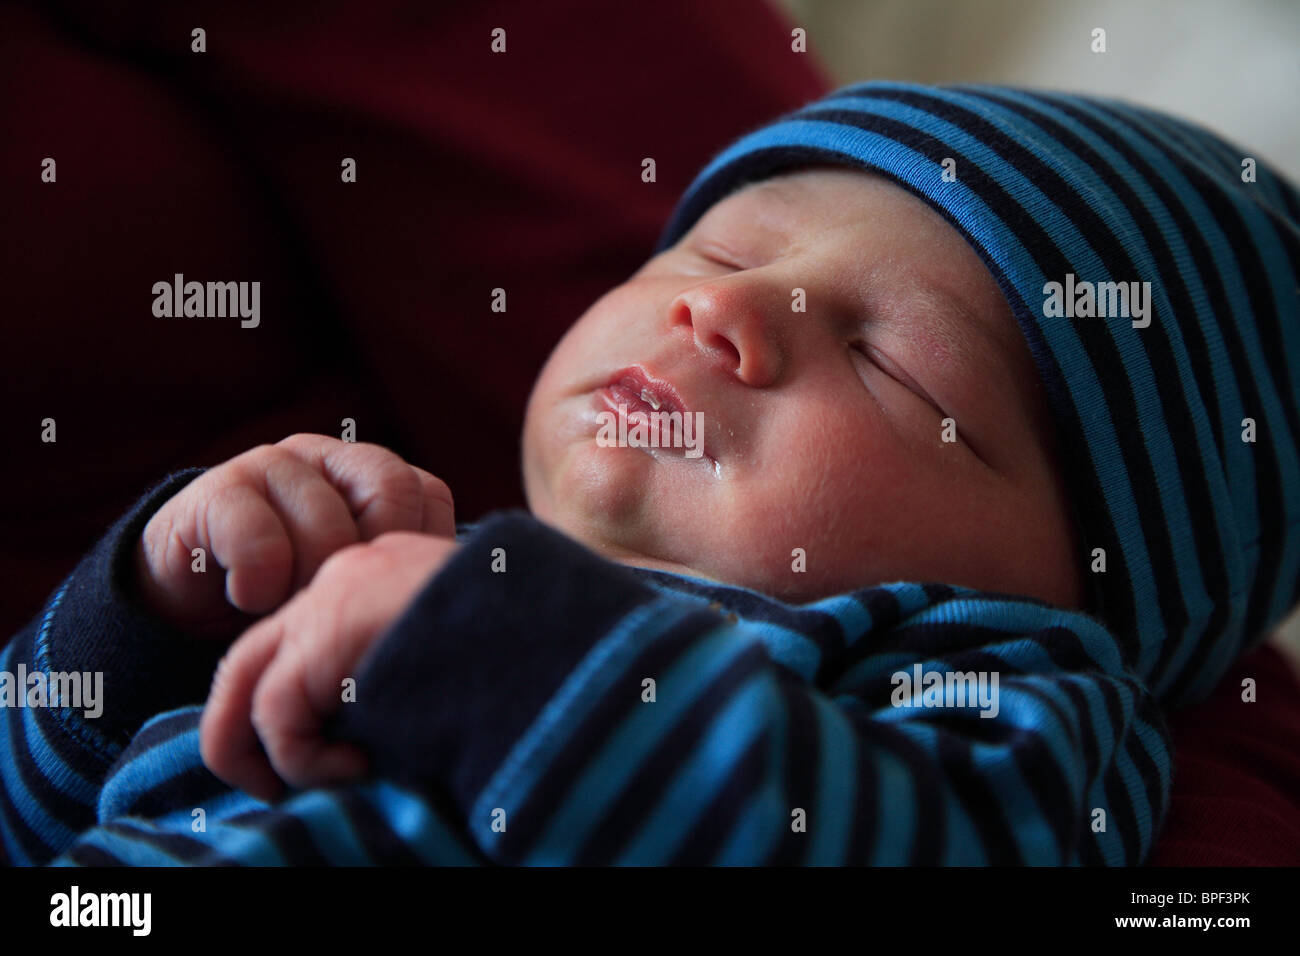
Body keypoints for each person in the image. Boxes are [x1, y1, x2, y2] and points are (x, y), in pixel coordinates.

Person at [4, 82, 1297, 865]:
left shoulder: (1007, 690)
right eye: (718, 257)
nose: (719, 320)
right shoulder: (396, 556)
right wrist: (151, 620)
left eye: (893, 366)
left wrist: (494, 650)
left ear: (1083, 580)